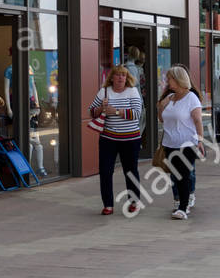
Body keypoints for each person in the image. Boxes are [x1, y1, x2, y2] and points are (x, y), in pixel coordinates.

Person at [88, 65, 144, 215]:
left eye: (123, 75)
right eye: (118, 75)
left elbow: (137, 114)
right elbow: (91, 111)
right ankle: (108, 205)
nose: (121, 78)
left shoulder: (132, 92)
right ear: (111, 77)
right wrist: (101, 108)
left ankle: (134, 202)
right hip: (108, 139)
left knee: (130, 171)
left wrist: (116, 111)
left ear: (127, 78)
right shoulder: (104, 91)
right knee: (105, 172)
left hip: (130, 139)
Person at [156, 66, 206, 219]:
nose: (167, 81)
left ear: (178, 80)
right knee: (175, 176)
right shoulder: (170, 98)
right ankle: (180, 204)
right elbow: (162, 119)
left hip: (187, 143)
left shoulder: (191, 98)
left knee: (183, 175)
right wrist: (161, 106)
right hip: (170, 143)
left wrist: (200, 141)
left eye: (170, 78)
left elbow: (198, 120)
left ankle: (183, 208)